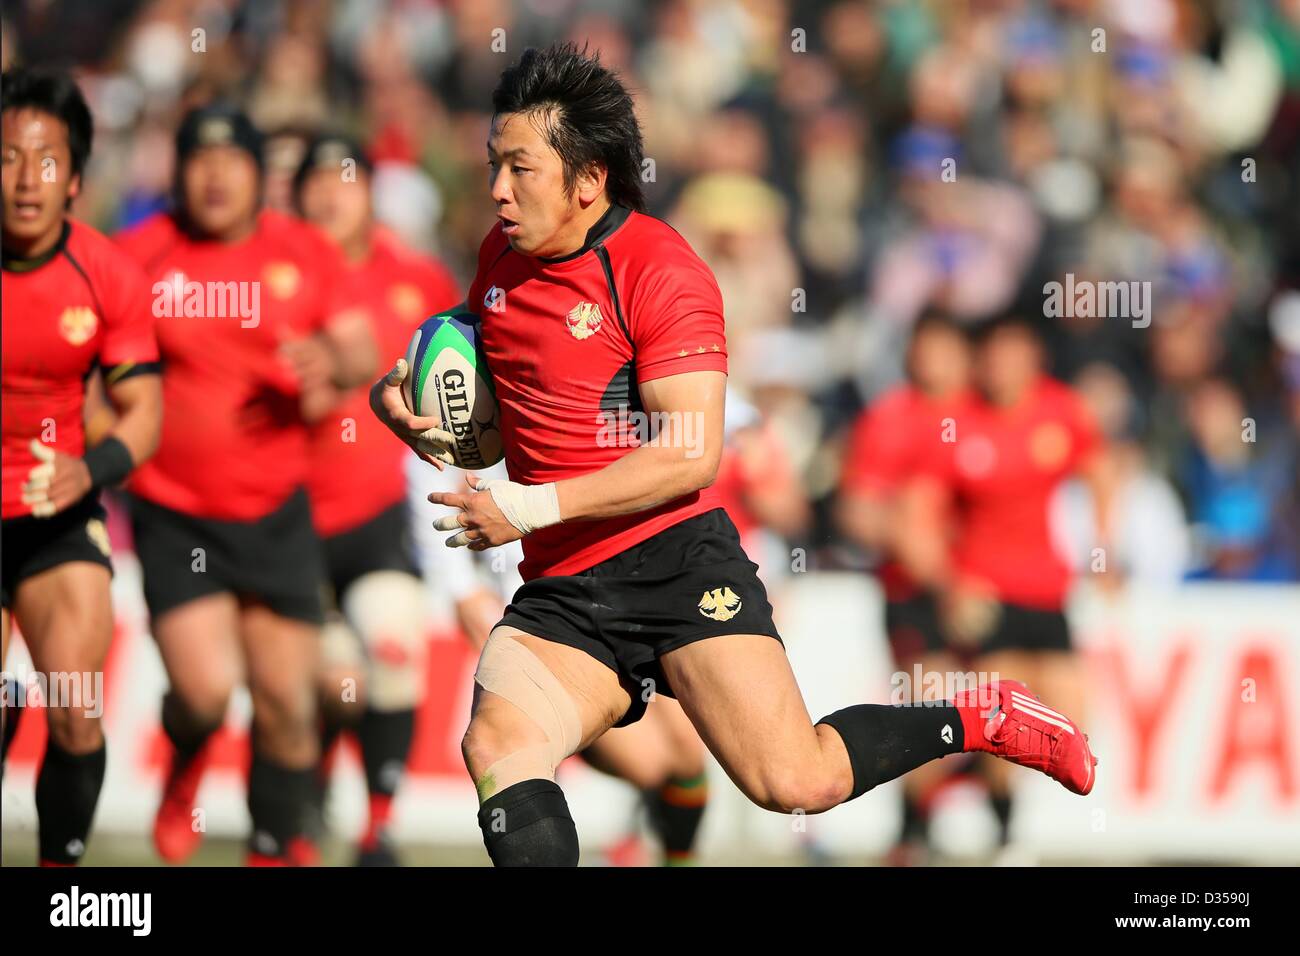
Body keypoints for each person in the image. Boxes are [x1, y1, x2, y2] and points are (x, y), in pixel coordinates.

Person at [373, 43, 1097, 867]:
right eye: (493, 164)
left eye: (519, 167)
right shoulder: (499, 257)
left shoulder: (661, 273)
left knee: (796, 781)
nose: (497, 188)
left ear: (589, 180)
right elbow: (495, 392)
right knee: (498, 741)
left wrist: (527, 506)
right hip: (564, 585)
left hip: (675, 564)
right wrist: (405, 412)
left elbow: (690, 454)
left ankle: (985, 716)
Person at [115, 105, 375, 866]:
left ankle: (270, 848)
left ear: (262, 176)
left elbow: (362, 345)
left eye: (235, 160)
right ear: (178, 171)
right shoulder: (140, 254)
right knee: (203, 692)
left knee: (289, 706)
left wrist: (332, 357)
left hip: (275, 513)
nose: (216, 174)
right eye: (200, 158)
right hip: (173, 510)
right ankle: (185, 763)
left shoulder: (304, 252)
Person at [1, 68, 162, 865]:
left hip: (55, 519)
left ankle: (58, 878)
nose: (27, 179)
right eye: (7, 157)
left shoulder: (108, 276)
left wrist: (85, 470)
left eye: (47, 159)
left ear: (75, 178)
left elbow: (146, 417)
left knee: (73, 710)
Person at [293, 133, 460, 865]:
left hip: (378, 515)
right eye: (317, 181)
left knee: (393, 650)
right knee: (330, 682)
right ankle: (303, 812)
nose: (332, 194)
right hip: (285, 520)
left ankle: (378, 827)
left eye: (347, 179)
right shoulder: (276, 277)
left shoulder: (417, 278)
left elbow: (463, 383)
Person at [901, 314, 1104, 861]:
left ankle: (945, 777)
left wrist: (1108, 550)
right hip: (988, 597)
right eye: (993, 354)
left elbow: (1102, 469)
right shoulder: (959, 422)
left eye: (1014, 353)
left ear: (1034, 357)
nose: (1002, 366)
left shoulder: (1061, 409)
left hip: (1049, 594)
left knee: (1071, 715)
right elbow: (914, 517)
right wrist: (951, 583)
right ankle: (1007, 836)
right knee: (1007, 714)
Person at [837, 312, 977, 864]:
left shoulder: (983, 412)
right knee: (931, 708)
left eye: (943, 348)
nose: (930, 360)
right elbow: (855, 511)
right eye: (923, 348)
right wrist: (904, 533)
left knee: (1012, 700)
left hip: (988, 588)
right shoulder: (888, 418)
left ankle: (953, 823)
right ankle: (913, 833)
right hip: (913, 596)